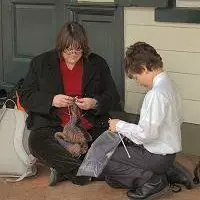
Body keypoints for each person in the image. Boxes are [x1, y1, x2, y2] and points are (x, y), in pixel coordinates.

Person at [18, 21, 121, 186]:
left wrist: (94, 103)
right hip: (52, 125)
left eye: (78, 50)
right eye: (68, 50)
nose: (73, 55)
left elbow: (113, 96)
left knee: (111, 143)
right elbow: (26, 96)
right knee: (37, 143)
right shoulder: (41, 63)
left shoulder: (97, 63)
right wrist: (52, 100)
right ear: (60, 47)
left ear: (84, 47)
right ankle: (84, 173)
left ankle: (65, 168)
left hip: (89, 125)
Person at [101, 42, 192, 199]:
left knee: (106, 159)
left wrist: (119, 125)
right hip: (167, 153)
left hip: (156, 156)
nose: (139, 83)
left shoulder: (155, 94)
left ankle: (154, 180)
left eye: (136, 77)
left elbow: (146, 135)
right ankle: (168, 170)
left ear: (143, 69)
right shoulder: (170, 85)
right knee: (124, 148)